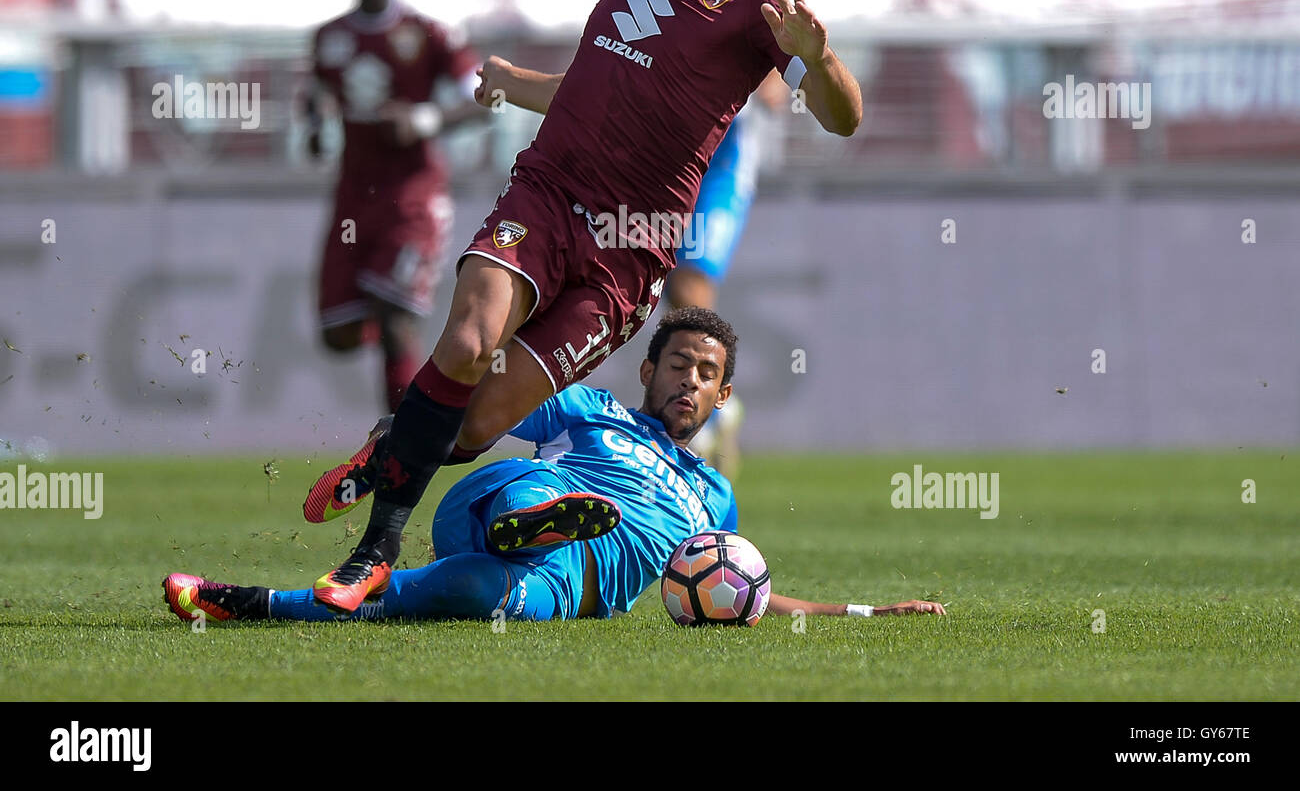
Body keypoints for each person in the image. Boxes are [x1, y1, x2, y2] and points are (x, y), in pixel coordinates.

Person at [303, 0, 864, 615]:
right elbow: (591, 89)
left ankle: (391, 449)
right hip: (549, 195)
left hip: (629, 251)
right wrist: (511, 81)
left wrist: (822, 55)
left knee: (485, 416)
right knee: (466, 344)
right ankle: (373, 552)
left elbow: (844, 119)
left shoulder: (762, 7)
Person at [164, 310, 944, 624]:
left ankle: (249, 601)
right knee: (540, 486)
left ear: (723, 394)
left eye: (706, 375)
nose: (688, 383)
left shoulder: (717, 496)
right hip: (487, 503)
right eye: (677, 366)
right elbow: (467, 421)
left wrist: (866, 613)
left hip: (576, 586)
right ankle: (528, 521)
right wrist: (394, 442)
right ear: (647, 372)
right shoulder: (589, 409)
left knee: (467, 594)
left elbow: (740, 584)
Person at [305, 0, 483, 413]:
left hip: (414, 194)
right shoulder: (329, 38)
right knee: (338, 334)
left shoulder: (426, 33)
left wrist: (424, 118)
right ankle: (398, 338)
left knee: (393, 320)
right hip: (353, 196)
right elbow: (318, 98)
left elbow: (486, 97)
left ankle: (401, 439)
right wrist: (317, 124)